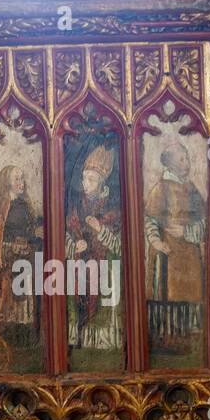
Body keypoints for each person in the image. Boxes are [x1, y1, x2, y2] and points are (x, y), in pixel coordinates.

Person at [144, 143, 206, 354]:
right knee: (167, 295)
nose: (187, 163)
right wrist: (156, 242)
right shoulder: (161, 187)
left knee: (189, 295)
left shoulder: (192, 189)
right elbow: (150, 219)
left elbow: (206, 221)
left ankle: (188, 340)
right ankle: (166, 341)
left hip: (189, 255)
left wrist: (188, 232)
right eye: (181, 159)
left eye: (187, 158)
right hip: (168, 254)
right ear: (169, 162)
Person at [66, 144, 123, 353]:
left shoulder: (112, 207)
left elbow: (120, 244)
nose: (86, 184)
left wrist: (101, 230)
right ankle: (77, 336)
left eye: (91, 180)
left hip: (104, 264)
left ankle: (95, 340)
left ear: (102, 182)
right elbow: (67, 230)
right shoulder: (77, 204)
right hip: (79, 261)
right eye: (84, 179)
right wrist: (73, 244)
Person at [0, 163, 42, 348]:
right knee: (6, 300)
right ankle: (6, 338)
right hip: (7, 262)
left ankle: (23, 341)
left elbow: (30, 231)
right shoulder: (1, 207)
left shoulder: (25, 206)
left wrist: (34, 235)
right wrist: (9, 248)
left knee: (24, 300)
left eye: (23, 178)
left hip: (24, 260)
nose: (22, 182)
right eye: (17, 179)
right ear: (8, 183)